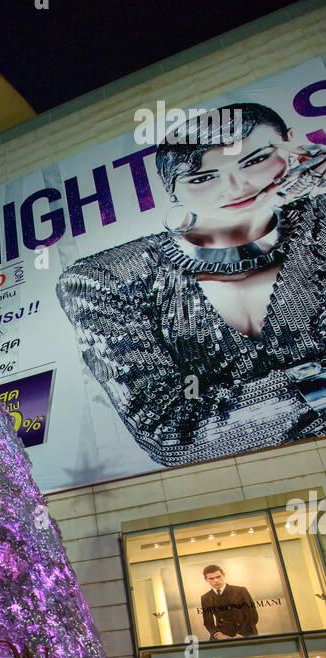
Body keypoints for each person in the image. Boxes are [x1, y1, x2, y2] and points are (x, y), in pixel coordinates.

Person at [56, 103, 326, 469]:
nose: (236, 187)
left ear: (291, 146)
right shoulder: (108, 278)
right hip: (238, 498)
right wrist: (312, 382)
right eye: (202, 178)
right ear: (172, 190)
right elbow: (171, 435)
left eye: (256, 160)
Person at [200, 565, 258, 640]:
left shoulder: (240, 591)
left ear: (223, 575)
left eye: (218, 577)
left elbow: (252, 616)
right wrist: (217, 634)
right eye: (211, 578)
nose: (216, 581)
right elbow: (208, 622)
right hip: (222, 636)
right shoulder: (205, 598)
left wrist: (240, 635)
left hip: (245, 633)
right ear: (206, 579)